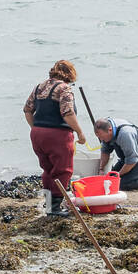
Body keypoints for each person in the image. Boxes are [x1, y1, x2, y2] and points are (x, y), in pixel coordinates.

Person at [23, 60, 89, 217]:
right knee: (63, 170)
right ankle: (55, 208)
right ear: (70, 74)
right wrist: (80, 132)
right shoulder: (64, 89)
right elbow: (68, 113)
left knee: (47, 169)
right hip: (58, 134)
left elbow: (27, 110)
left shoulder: (39, 87)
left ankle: (48, 205)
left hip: (38, 133)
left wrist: (36, 129)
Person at [94, 118, 138, 194]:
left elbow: (132, 160)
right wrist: (101, 169)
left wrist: (118, 175)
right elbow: (105, 152)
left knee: (122, 184)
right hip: (125, 158)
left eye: (102, 137)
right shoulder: (106, 133)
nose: (101, 139)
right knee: (110, 180)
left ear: (110, 130)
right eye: (99, 137)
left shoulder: (125, 134)